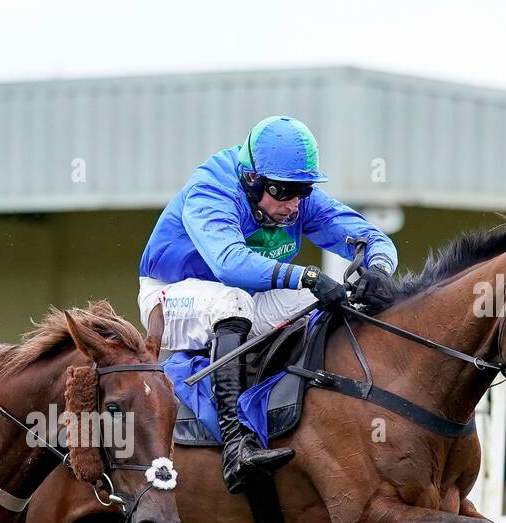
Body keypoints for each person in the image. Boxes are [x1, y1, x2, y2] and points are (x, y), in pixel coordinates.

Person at [138, 116, 398, 493]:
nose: (293, 206)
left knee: (335, 302)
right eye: (283, 192)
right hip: (170, 295)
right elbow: (229, 263)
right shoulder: (210, 189)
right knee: (234, 300)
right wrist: (306, 276)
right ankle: (235, 446)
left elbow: (370, 237)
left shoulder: (293, 197)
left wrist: (379, 267)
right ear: (251, 180)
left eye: (302, 191)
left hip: (242, 300)